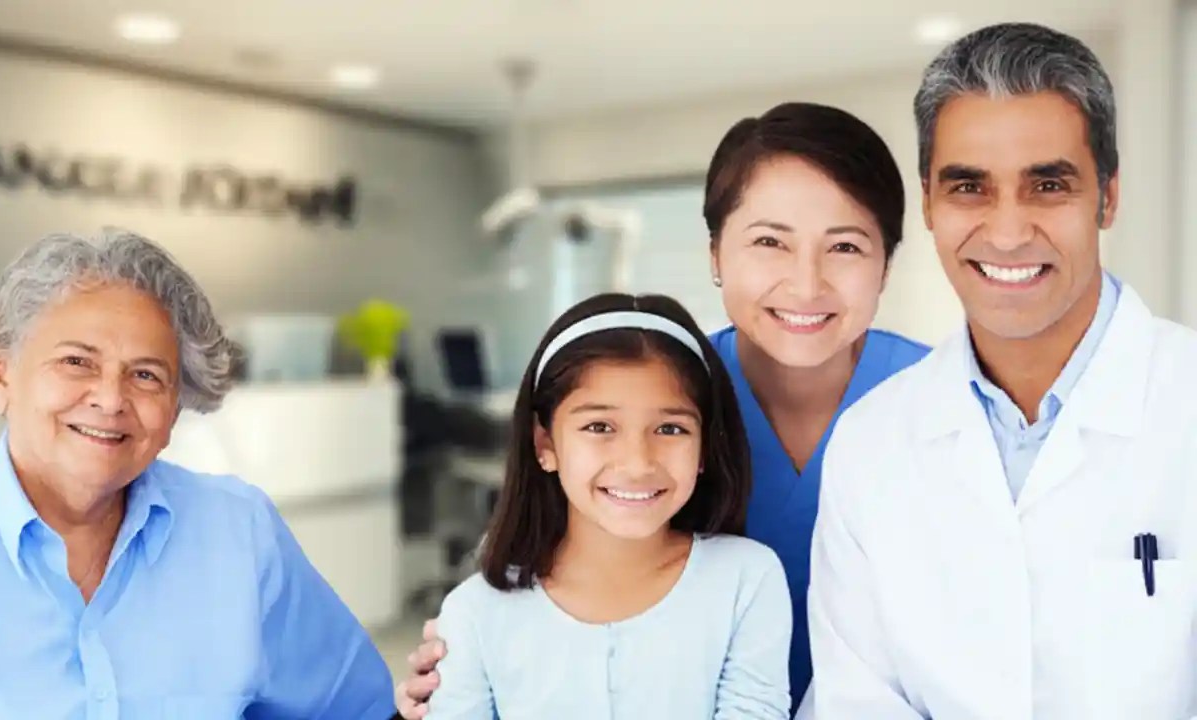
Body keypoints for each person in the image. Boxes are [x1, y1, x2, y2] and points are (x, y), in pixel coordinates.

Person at [397, 102, 929, 718]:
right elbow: (536, 566)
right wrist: (461, 665)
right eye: (768, 242)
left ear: (887, 262)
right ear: (714, 255)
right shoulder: (669, 387)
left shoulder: (944, 402)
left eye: (845, 246)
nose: (806, 284)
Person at [808, 22, 1197, 719]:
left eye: (1048, 184)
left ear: (1107, 197)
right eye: (969, 188)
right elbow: (857, 701)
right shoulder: (870, 446)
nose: (1009, 231)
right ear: (927, 201)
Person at [0, 230, 396, 719]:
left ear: (173, 408)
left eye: (146, 375)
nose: (110, 399)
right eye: (76, 362)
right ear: (2, 377)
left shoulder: (240, 533)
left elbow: (358, 709)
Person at [423, 292, 792, 719]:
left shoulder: (745, 580)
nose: (637, 463)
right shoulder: (475, 612)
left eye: (670, 428)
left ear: (706, 445)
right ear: (545, 443)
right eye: (599, 426)